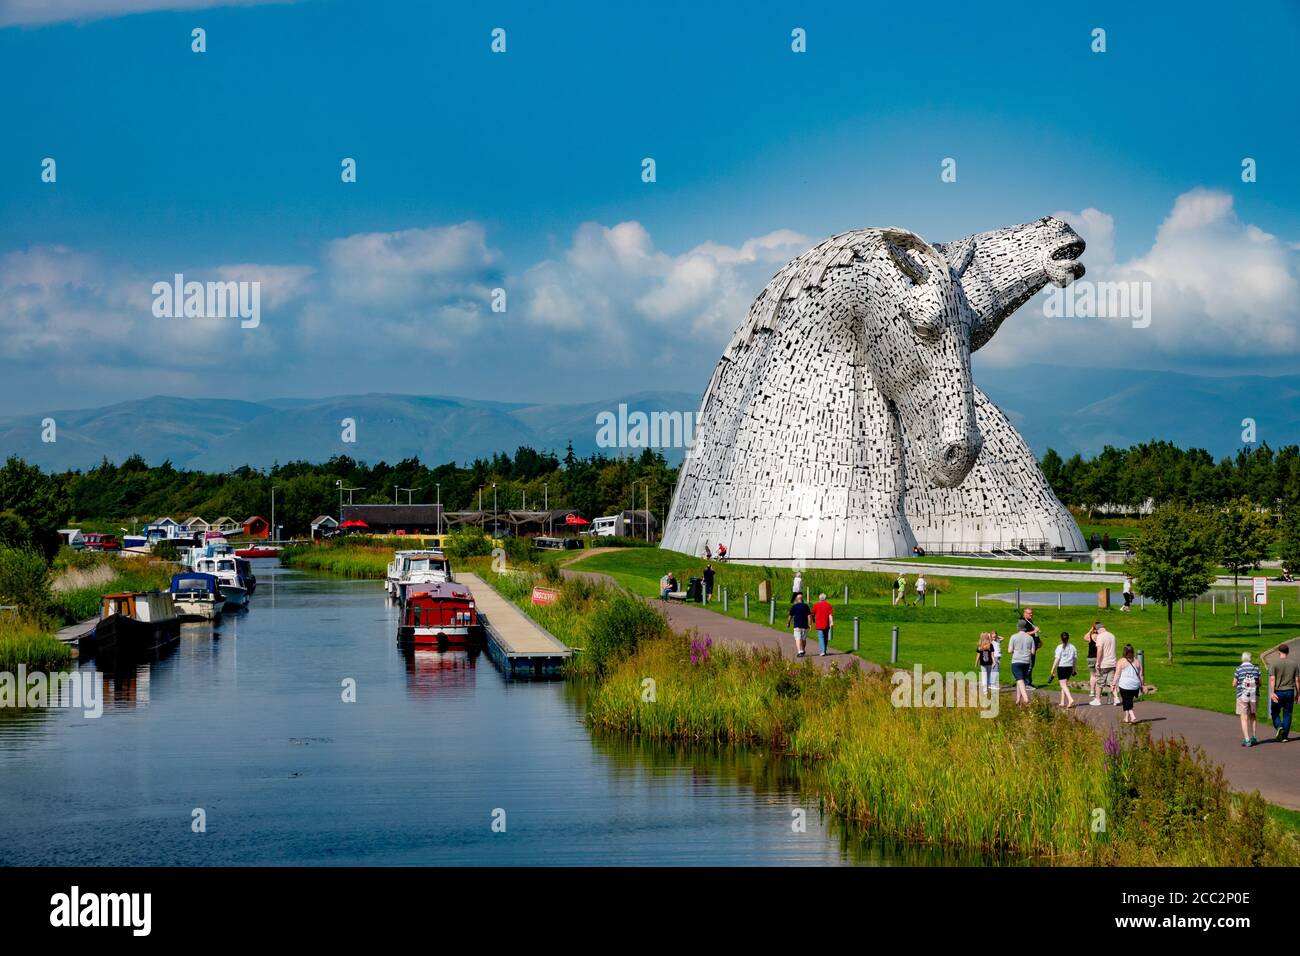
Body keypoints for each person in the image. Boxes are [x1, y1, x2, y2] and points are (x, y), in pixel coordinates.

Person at [1268, 643, 1298, 742]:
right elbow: (1297, 680)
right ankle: (1284, 736)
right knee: (1288, 713)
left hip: (1278, 691)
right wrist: (1298, 693)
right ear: (1288, 652)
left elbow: (1272, 679)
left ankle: (1279, 727)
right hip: (1290, 691)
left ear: (1278, 652)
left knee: (1275, 712)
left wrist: (1272, 693)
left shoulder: (1274, 663)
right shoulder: (1294, 664)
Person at [1234, 651, 1261, 747]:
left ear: (1242, 659)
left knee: (1244, 717)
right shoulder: (1256, 668)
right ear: (1250, 659)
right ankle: (1254, 737)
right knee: (1253, 715)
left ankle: (1247, 739)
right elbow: (1260, 683)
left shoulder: (1238, 669)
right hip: (1254, 695)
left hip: (1242, 696)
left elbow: (1234, 683)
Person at [1008, 623, 1035, 705]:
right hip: (1026, 661)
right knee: (1020, 680)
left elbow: (1009, 650)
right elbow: (1033, 652)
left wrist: (1016, 650)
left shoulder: (1013, 637)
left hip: (1016, 660)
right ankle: (1018, 699)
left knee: (1019, 680)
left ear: (1018, 628)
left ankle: (1026, 698)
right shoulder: (1030, 638)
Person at [1115, 644, 1144, 723]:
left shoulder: (1121, 661)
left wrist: (1113, 684)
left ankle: (1133, 716)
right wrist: (1142, 685)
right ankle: (1126, 717)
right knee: (1127, 700)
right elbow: (1141, 675)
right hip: (1135, 685)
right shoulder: (1137, 661)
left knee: (1126, 700)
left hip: (1125, 685)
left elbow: (1117, 674)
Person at [1091, 622, 1118, 706]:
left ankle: (1097, 699)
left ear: (1098, 629)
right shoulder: (1112, 635)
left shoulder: (1100, 636)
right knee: (1111, 682)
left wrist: (1098, 663)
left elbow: (1099, 650)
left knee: (1100, 682)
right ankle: (1116, 698)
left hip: (1104, 663)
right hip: (1113, 662)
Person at [1052, 632, 1077, 708]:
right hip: (1069, 667)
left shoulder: (1059, 647)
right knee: (1064, 685)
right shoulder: (1073, 647)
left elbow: (1057, 659)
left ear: (1061, 638)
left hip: (1062, 667)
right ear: (1068, 638)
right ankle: (1062, 702)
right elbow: (1074, 659)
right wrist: (1074, 669)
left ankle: (1070, 699)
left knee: (1062, 685)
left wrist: (1053, 669)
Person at [1016, 608, 1041, 687]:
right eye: (1029, 613)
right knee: (1028, 665)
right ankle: (1026, 683)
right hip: (1027, 647)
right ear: (1025, 613)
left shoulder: (1030, 621)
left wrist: (1038, 641)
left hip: (1033, 645)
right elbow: (1023, 633)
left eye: (1031, 613)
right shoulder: (1023, 622)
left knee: (1031, 665)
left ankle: (1026, 681)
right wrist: (1034, 631)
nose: (1031, 615)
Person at [786, 592, 811, 658]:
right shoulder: (806, 606)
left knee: (798, 638)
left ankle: (800, 651)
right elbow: (809, 616)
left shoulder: (794, 606)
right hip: (805, 625)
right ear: (802, 599)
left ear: (797, 600)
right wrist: (810, 624)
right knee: (803, 639)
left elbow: (790, 616)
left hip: (797, 625)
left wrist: (788, 623)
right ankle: (803, 649)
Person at [812, 592, 834, 657]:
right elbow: (830, 615)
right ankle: (824, 650)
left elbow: (812, 614)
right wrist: (831, 622)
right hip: (826, 623)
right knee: (826, 637)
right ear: (825, 598)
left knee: (821, 637)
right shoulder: (829, 605)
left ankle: (822, 651)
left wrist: (813, 620)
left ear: (819, 598)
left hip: (819, 624)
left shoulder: (816, 605)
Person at [1086, 624, 1099, 701]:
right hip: (1098, 658)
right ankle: (1098, 691)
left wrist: (1090, 629)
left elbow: (1084, 637)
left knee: (1092, 675)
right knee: (1098, 675)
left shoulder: (1090, 636)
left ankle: (1092, 691)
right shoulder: (1100, 636)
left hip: (1090, 657)